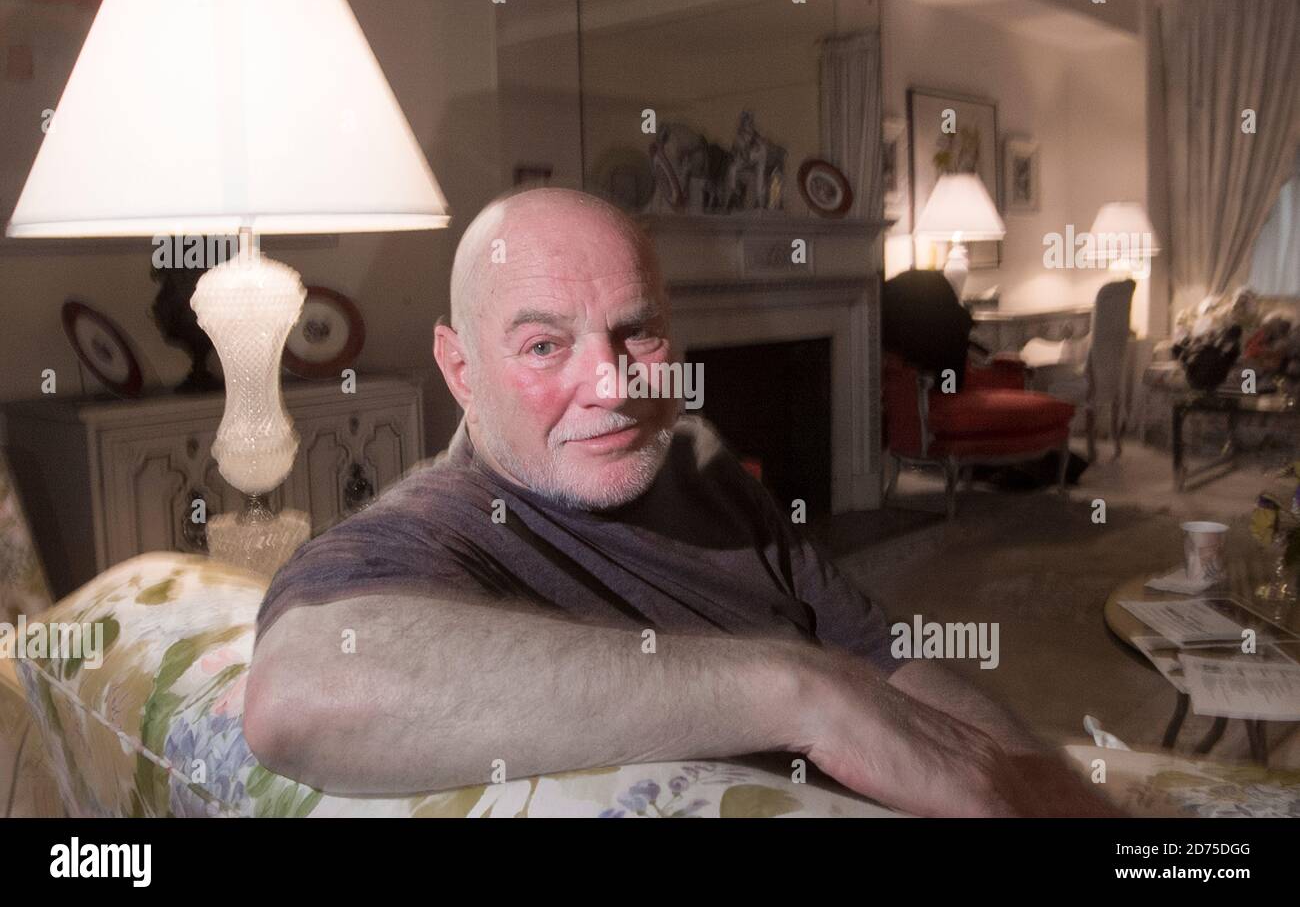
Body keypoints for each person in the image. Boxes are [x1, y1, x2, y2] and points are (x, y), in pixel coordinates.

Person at [245, 188, 1114, 817]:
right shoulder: (440, 524)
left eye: (640, 331)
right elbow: (302, 694)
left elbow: (881, 655)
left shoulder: (695, 459)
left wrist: (1040, 782)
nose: (614, 386)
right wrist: (797, 690)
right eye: (545, 344)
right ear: (461, 369)